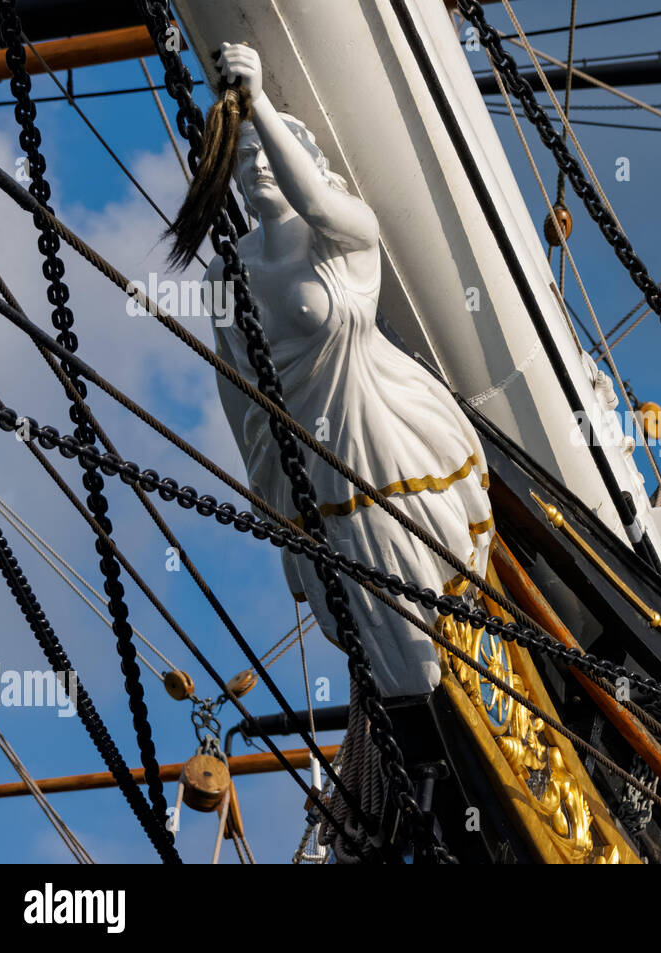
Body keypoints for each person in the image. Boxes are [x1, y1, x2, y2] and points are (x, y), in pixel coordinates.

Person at [205, 42, 494, 855]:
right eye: (244, 159)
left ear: (301, 153)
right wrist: (275, 506)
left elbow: (325, 209)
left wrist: (257, 106)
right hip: (318, 480)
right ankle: (426, 765)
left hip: (383, 448)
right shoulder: (233, 279)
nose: (257, 166)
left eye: (269, 153)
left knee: (419, 632)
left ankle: (439, 755)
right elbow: (243, 403)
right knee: (387, 652)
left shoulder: (344, 235)